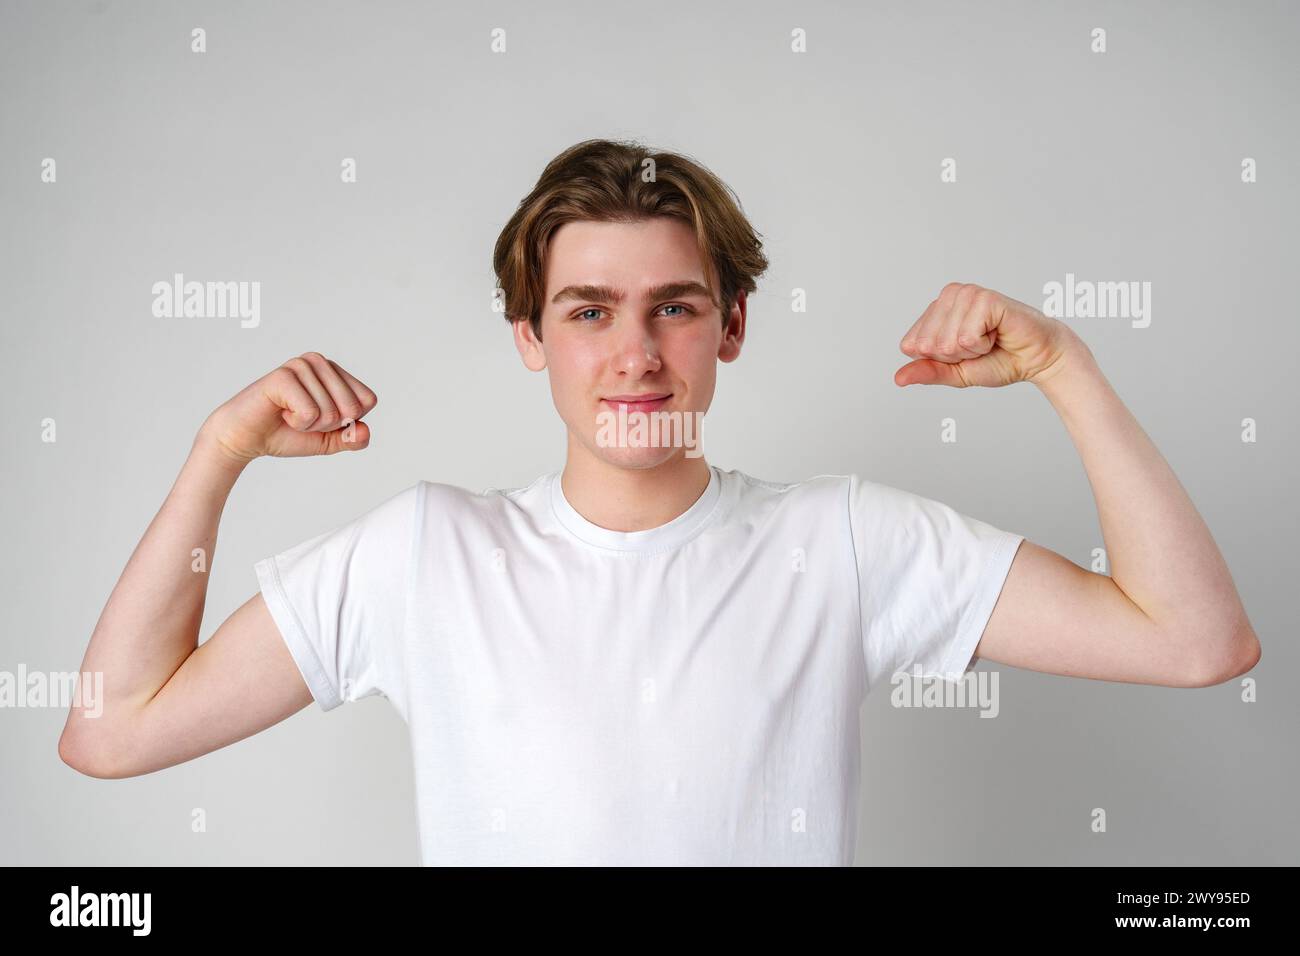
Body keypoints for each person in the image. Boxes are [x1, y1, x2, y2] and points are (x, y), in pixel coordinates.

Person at [58, 138, 1260, 865]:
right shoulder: (425, 552)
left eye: (674, 305)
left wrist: (1064, 368)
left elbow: (1197, 639)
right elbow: (111, 731)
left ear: (729, 326)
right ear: (531, 336)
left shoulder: (841, 540)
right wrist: (218, 451)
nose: (634, 351)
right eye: (588, 310)